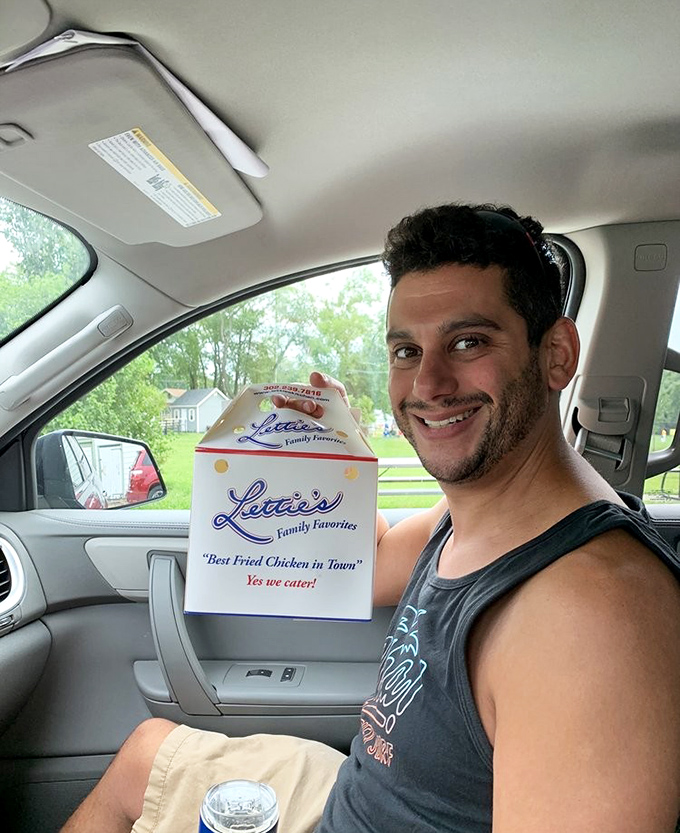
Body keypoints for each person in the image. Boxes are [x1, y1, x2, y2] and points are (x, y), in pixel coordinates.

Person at [61, 204, 680, 833]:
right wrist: (334, 454)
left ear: (556, 355)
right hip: (350, 800)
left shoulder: (592, 615)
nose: (429, 383)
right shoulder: (481, 510)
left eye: (469, 342)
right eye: (407, 351)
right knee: (144, 757)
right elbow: (361, 569)